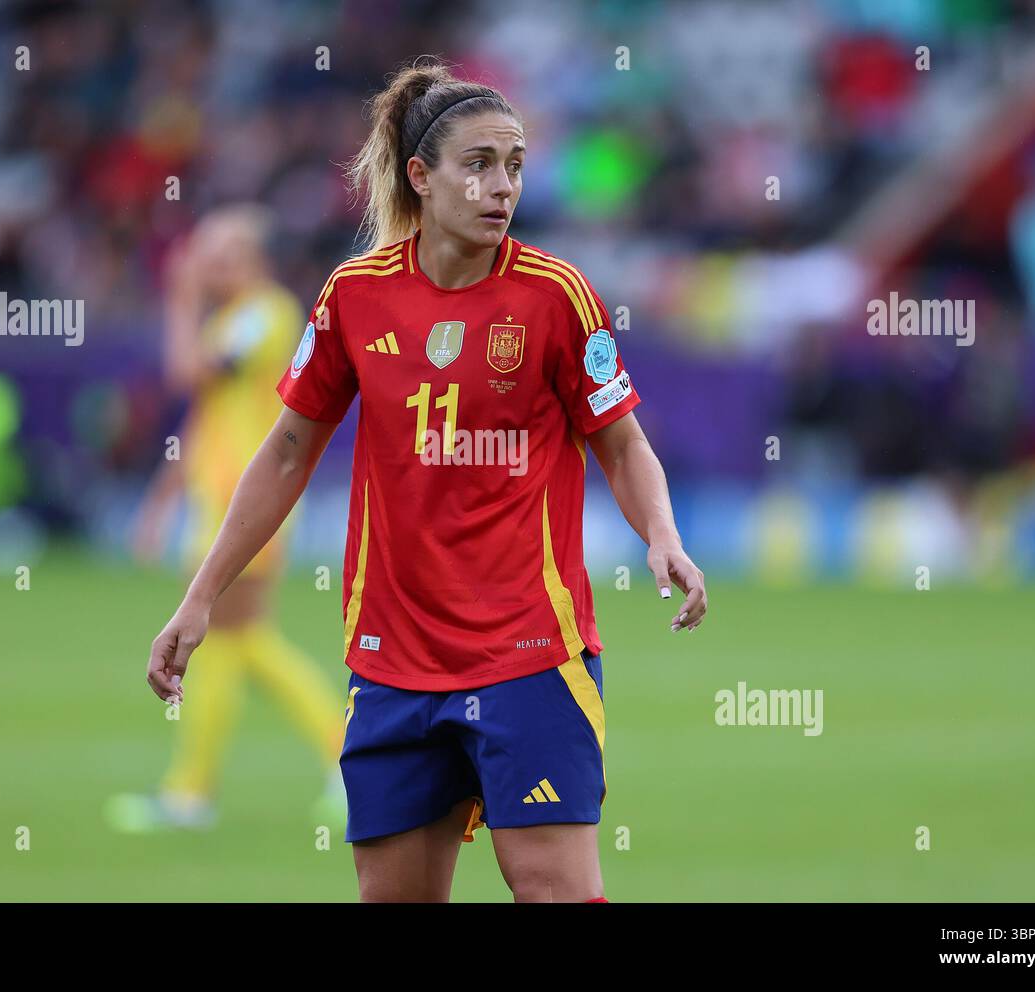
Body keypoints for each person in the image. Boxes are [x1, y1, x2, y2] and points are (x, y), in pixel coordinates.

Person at [145, 61, 707, 901]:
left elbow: (622, 445)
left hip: (530, 654)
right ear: (420, 175)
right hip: (392, 663)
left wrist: (661, 533)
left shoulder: (558, 297)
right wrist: (200, 594)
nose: (502, 185)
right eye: (478, 163)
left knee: (556, 891)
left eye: (514, 164)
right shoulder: (354, 298)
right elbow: (288, 450)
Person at [109, 205, 347, 833]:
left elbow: (185, 375)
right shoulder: (238, 320)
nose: (208, 265)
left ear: (254, 257)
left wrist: (180, 297)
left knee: (238, 638)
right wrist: (161, 503)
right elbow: (204, 418)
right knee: (228, 643)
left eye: (222, 252)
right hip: (218, 501)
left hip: (250, 504)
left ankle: (337, 759)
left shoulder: (268, 315)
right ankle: (196, 791)